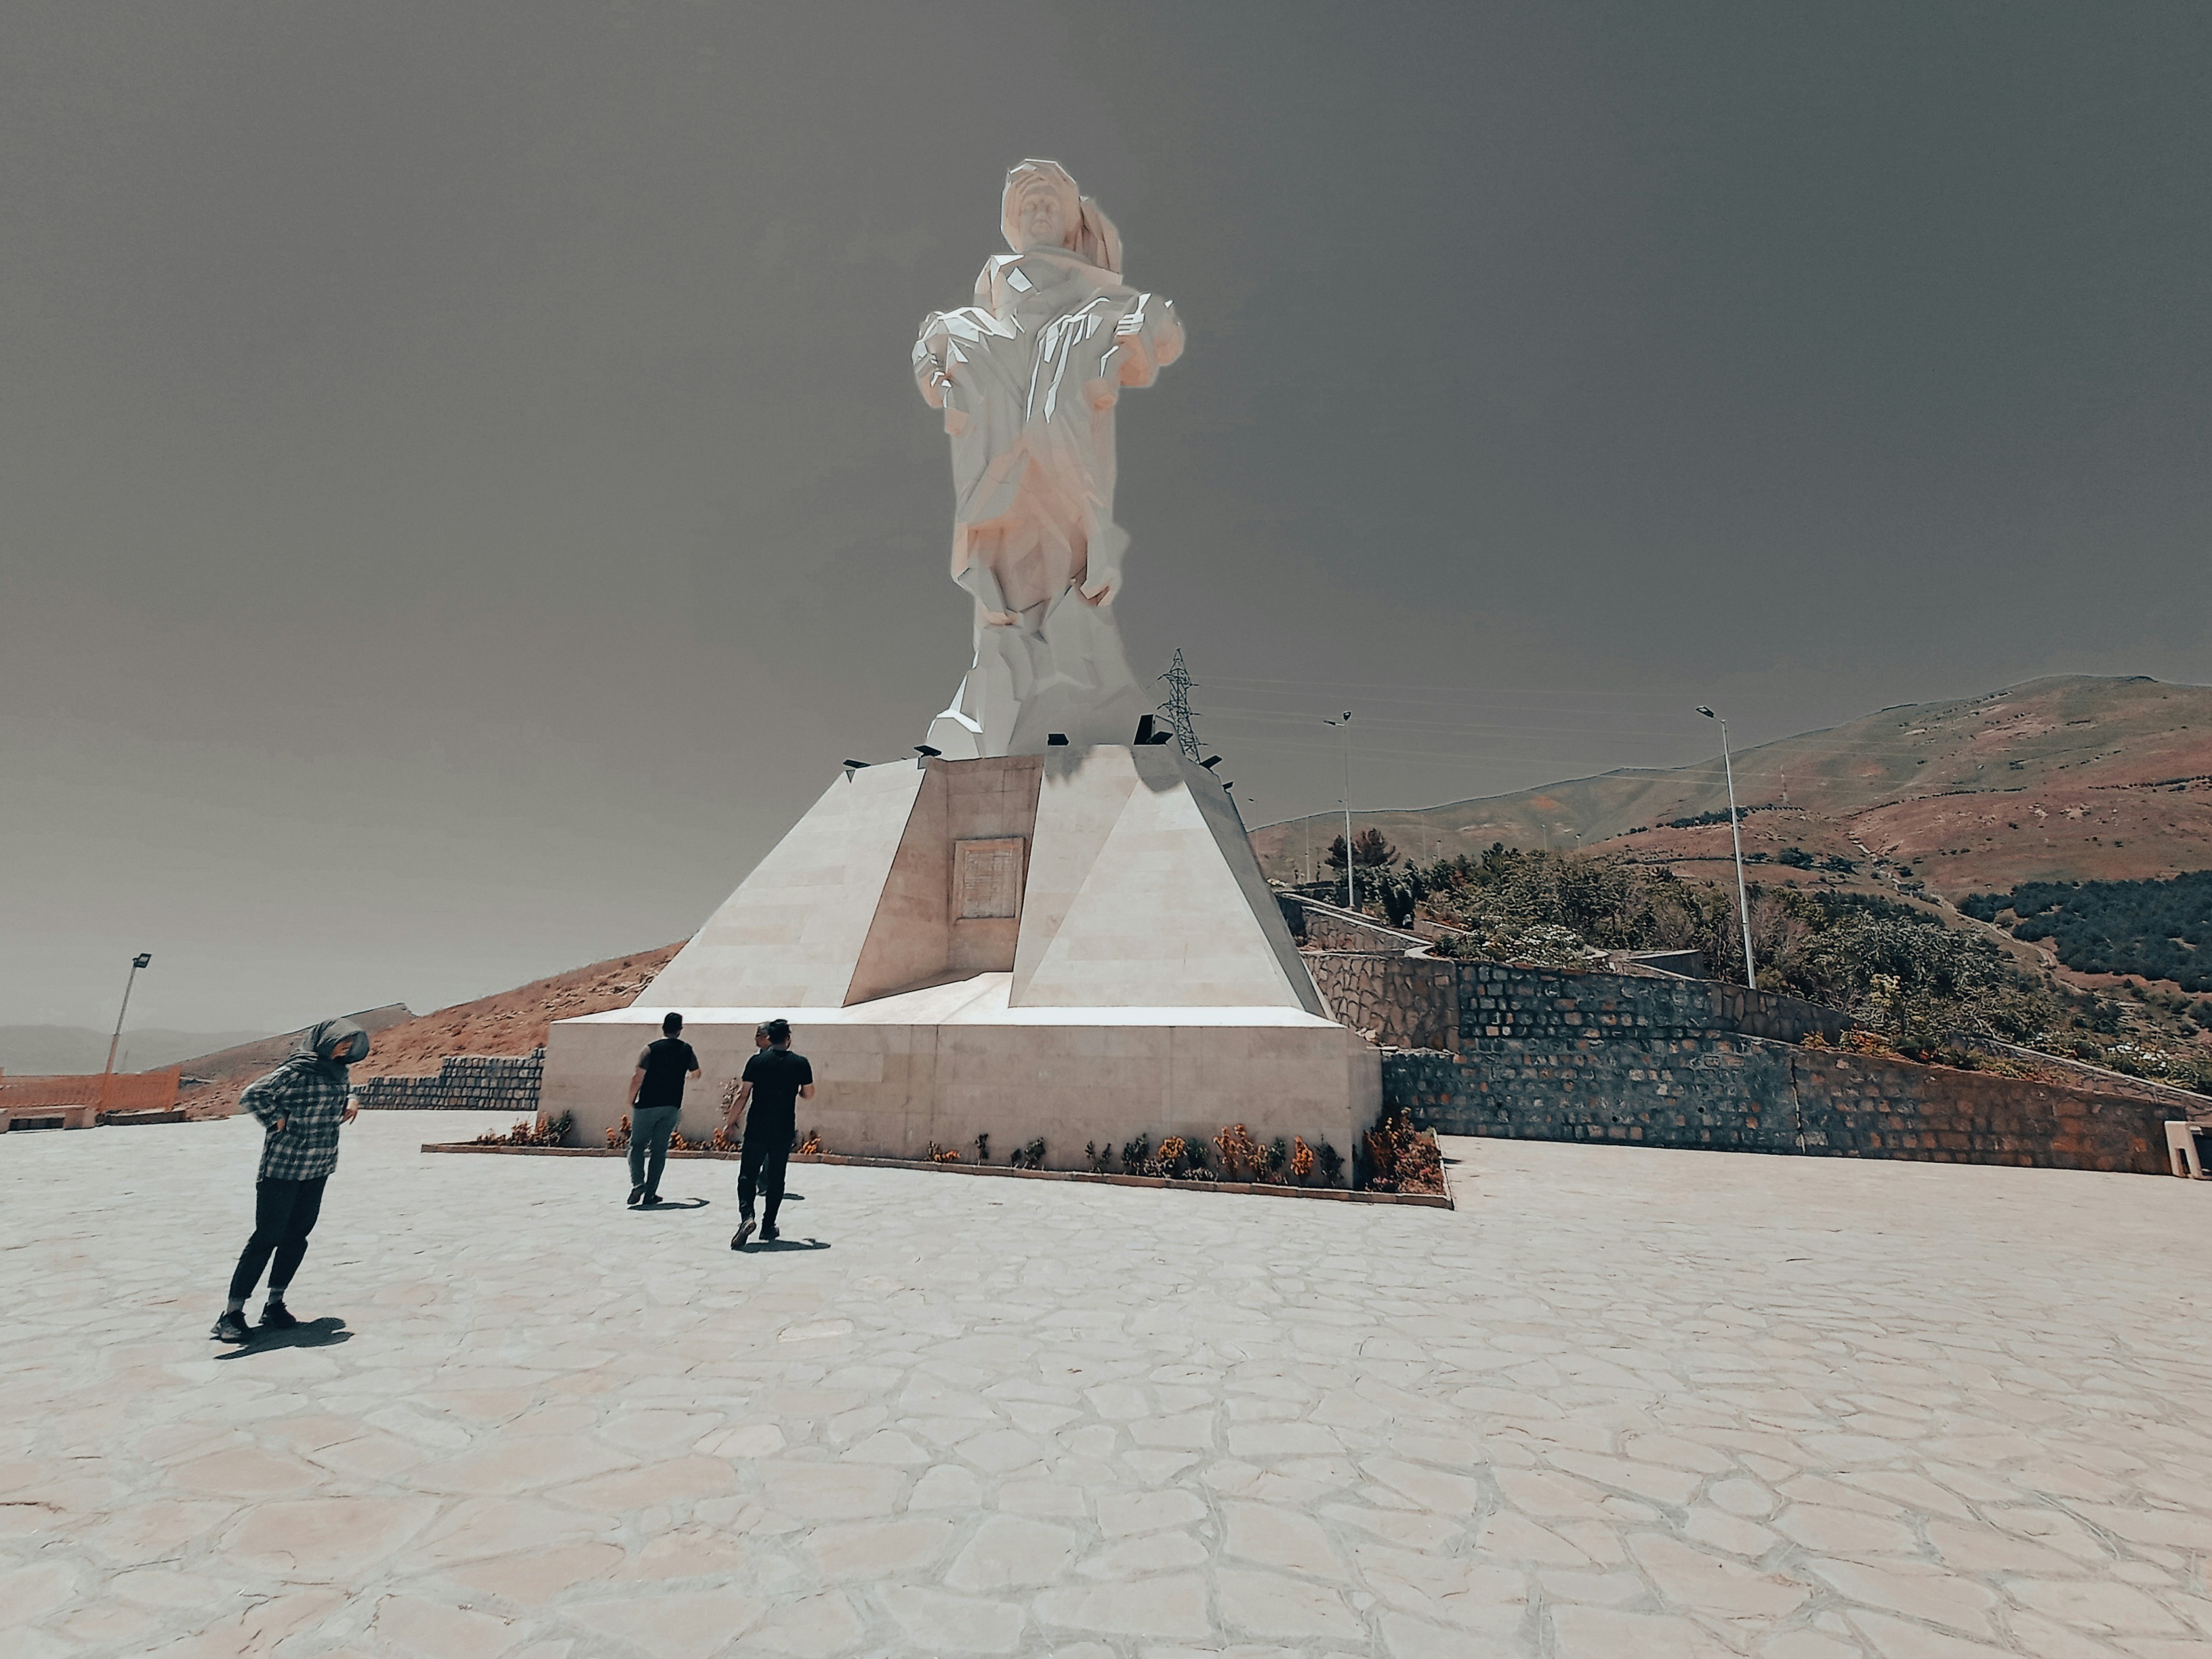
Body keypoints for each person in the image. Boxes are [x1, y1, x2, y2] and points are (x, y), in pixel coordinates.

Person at [212, 1018, 367, 1343]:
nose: (346, 1048)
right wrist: (276, 1119)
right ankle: (231, 1314)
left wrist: (352, 1099)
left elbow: (345, 1088)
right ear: (325, 1040)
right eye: (342, 1042)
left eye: (351, 1044)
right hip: (283, 1167)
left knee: (297, 1236)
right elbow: (253, 1094)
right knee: (266, 1237)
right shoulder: (296, 1071)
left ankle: (275, 1304)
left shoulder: (337, 1071)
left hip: (319, 1165)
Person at [723, 1018, 813, 1248]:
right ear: (788, 1039)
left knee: (747, 1175)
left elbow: (743, 1095)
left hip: (757, 1126)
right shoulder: (801, 1063)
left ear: (770, 1038)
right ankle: (768, 1225)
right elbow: (809, 1094)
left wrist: (730, 1122)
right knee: (776, 1177)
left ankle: (747, 1217)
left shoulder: (756, 1061)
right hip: (783, 1128)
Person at [626, 1011, 700, 1207]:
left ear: (663, 1027)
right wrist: (685, 1077)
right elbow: (697, 1073)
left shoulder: (650, 1049)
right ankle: (651, 1194)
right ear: (680, 1030)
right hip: (671, 1105)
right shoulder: (686, 1050)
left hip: (647, 1104)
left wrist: (631, 1099)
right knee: (659, 1150)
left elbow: (638, 1077)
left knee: (637, 1146)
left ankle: (638, 1183)